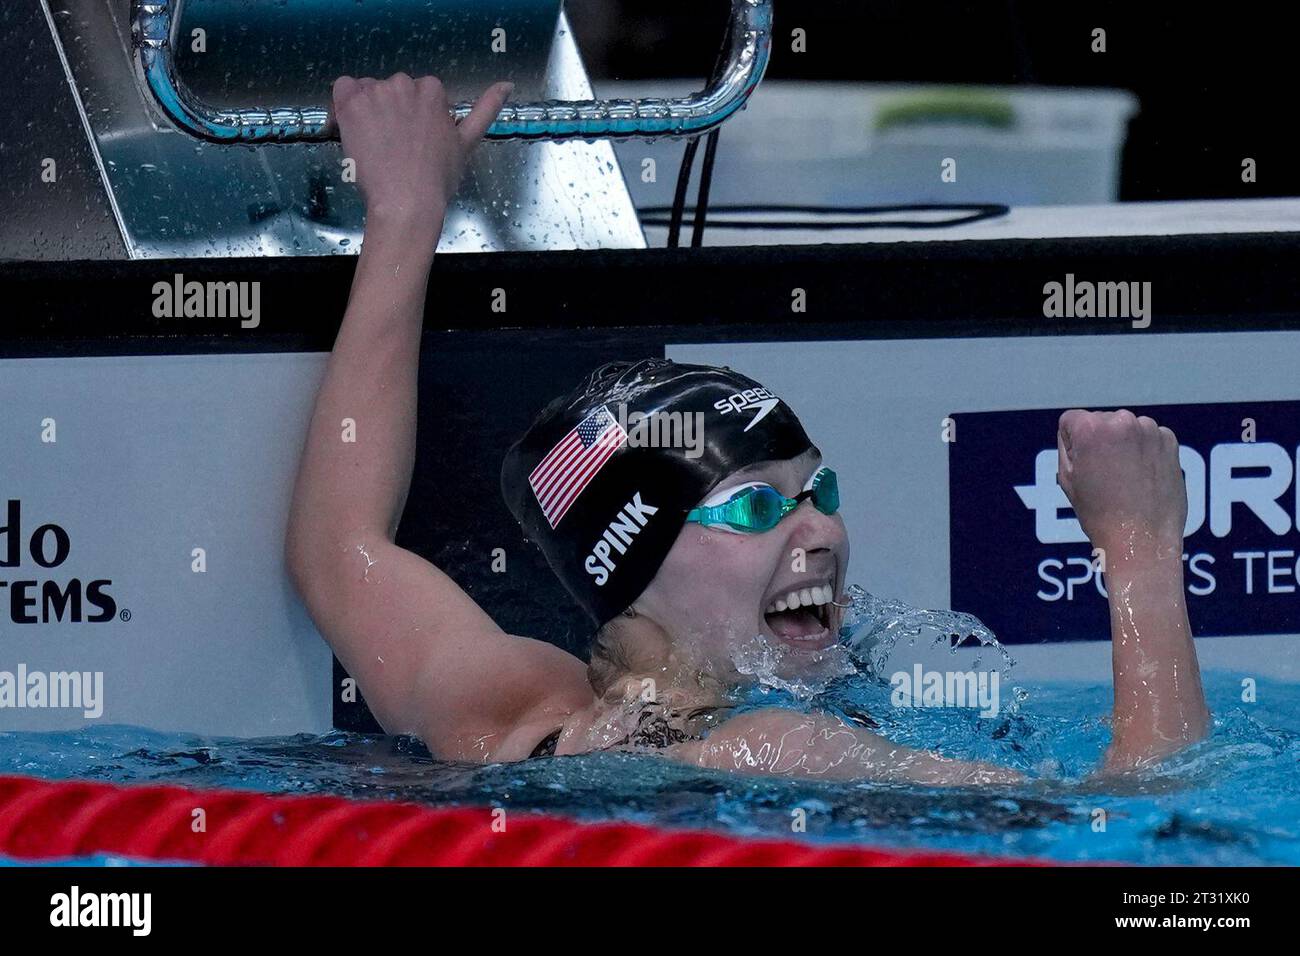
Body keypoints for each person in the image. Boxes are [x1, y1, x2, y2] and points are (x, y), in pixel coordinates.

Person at [285, 73, 1210, 785]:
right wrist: (1139, 548)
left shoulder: (511, 708)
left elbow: (337, 550)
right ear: (631, 566)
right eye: (755, 506)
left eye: (819, 491)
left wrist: (404, 214)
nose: (821, 530)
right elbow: (1142, 830)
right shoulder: (777, 749)